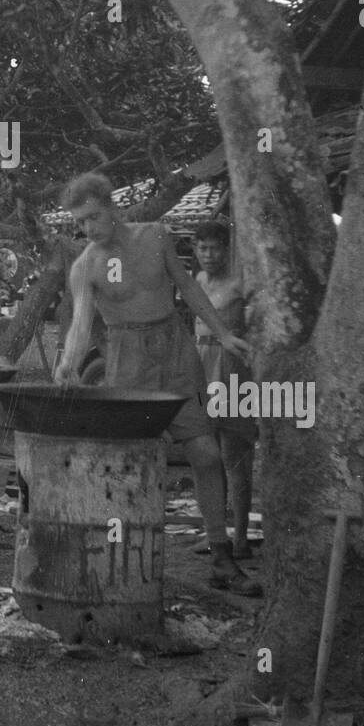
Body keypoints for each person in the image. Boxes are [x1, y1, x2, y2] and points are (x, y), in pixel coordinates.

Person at [53, 173, 262, 596]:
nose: (89, 228)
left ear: (111, 206)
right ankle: (120, 559)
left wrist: (222, 333)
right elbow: (81, 323)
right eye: (81, 222)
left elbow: (187, 287)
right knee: (131, 462)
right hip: (127, 360)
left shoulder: (156, 236)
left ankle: (222, 559)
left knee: (205, 454)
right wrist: (68, 363)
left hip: (176, 351)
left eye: (94, 217)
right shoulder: (86, 265)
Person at [192, 220, 257, 561]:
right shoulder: (198, 281)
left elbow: (258, 319)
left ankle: (242, 537)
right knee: (207, 455)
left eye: (215, 248)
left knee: (236, 457)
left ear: (226, 250)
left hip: (231, 370)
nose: (208, 255)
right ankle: (214, 533)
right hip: (202, 369)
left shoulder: (240, 283)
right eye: (202, 248)